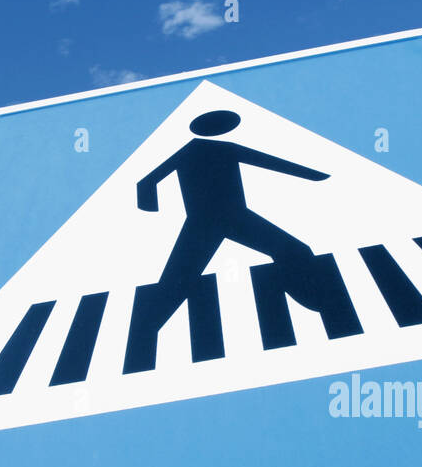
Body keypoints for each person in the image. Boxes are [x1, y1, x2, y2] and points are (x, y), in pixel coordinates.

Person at [125, 109, 330, 371]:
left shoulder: (211, 149)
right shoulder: (197, 150)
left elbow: (268, 161)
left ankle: (317, 302)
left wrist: (314, 175)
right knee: (177, 280)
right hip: (207, 223)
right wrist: (151, 209)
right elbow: (146, 182)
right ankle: (143, 341)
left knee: (295, 250)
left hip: (234, 217)